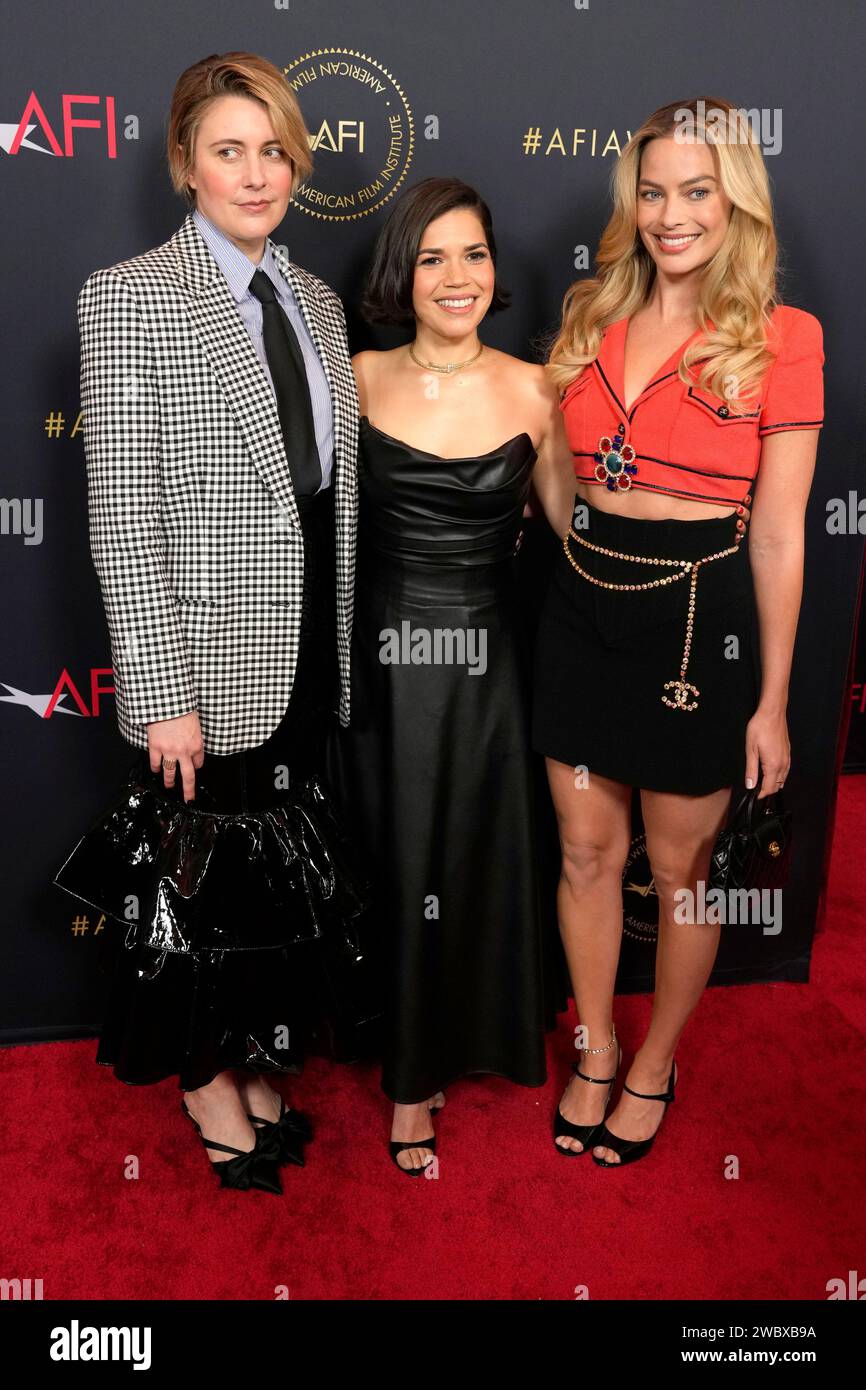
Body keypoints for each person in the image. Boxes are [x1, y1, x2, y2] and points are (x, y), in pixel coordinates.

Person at [53, 52, 378, 1194]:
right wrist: (162, 693)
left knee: (269, 877)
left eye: (273, 150)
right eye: (229, 151)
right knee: (196, 881)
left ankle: (248, 1056)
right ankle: (201, 1079)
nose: (255, 173)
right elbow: (123, 514)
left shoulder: (318, 300)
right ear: (186, 165)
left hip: (305, 651)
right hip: (203, 663)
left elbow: (323, 498)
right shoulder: (129, 295)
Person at [532, 96, 823, 1166]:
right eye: (651, 191)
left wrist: (772, 701)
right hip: (580, 605)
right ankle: (597, 1045)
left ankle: (653, 1061)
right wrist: (576, 550)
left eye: (694, 190)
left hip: (698, 619)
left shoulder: (783, 340)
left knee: (680, 869)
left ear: (733, 198)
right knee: (581, 848)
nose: (669, 214)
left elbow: (782, 535)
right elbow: (553, 474)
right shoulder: (585, 316)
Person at [327, 177, 590, 1175]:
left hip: (485, 670)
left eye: (473, 254)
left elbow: (574, 534)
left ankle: (466, 1038)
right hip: (383, 661)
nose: (456, 276)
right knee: (398, 856)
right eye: (432, 256)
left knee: (472, 856)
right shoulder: (354, 376)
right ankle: (406, 1077)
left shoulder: (536, 389)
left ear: (494, 270)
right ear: (403, 271)